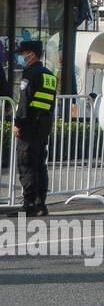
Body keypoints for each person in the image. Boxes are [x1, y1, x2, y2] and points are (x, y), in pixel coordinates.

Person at [12, 39, 56, 215]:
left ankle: (28, 205)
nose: (22, 57)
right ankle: (40, 204)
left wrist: (17, 123)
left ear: (31, 54)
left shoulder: (30, 74)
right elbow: (50, 103)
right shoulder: (49, 75)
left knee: (26, 163)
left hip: (29, 125)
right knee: (39, 164)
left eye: (23, 54)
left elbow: (24, 102)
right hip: (44, 124)